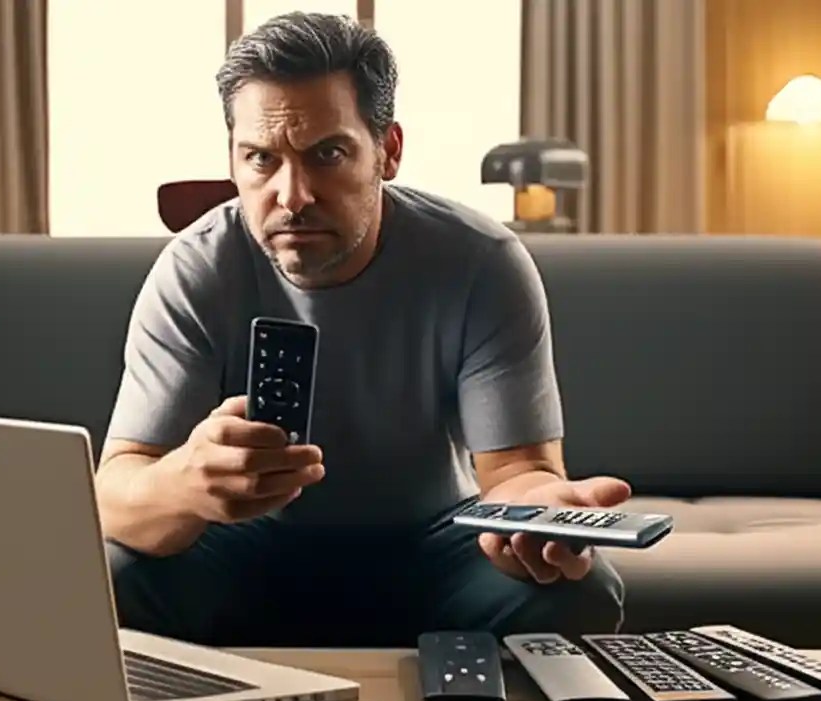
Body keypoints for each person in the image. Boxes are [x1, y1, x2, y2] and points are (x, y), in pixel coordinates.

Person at [94, 11, 629, 647]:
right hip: (243, 554)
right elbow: (115, 494)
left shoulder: (481, 261)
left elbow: (517, 470)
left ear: (388, 150)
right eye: (261, 159)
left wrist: (539, 522)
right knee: (106, 578)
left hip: (431, 551)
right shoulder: (195, 268)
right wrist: (185, 483)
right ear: (233, 160)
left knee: (583, 593)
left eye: (328, 154)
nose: (292, 195)